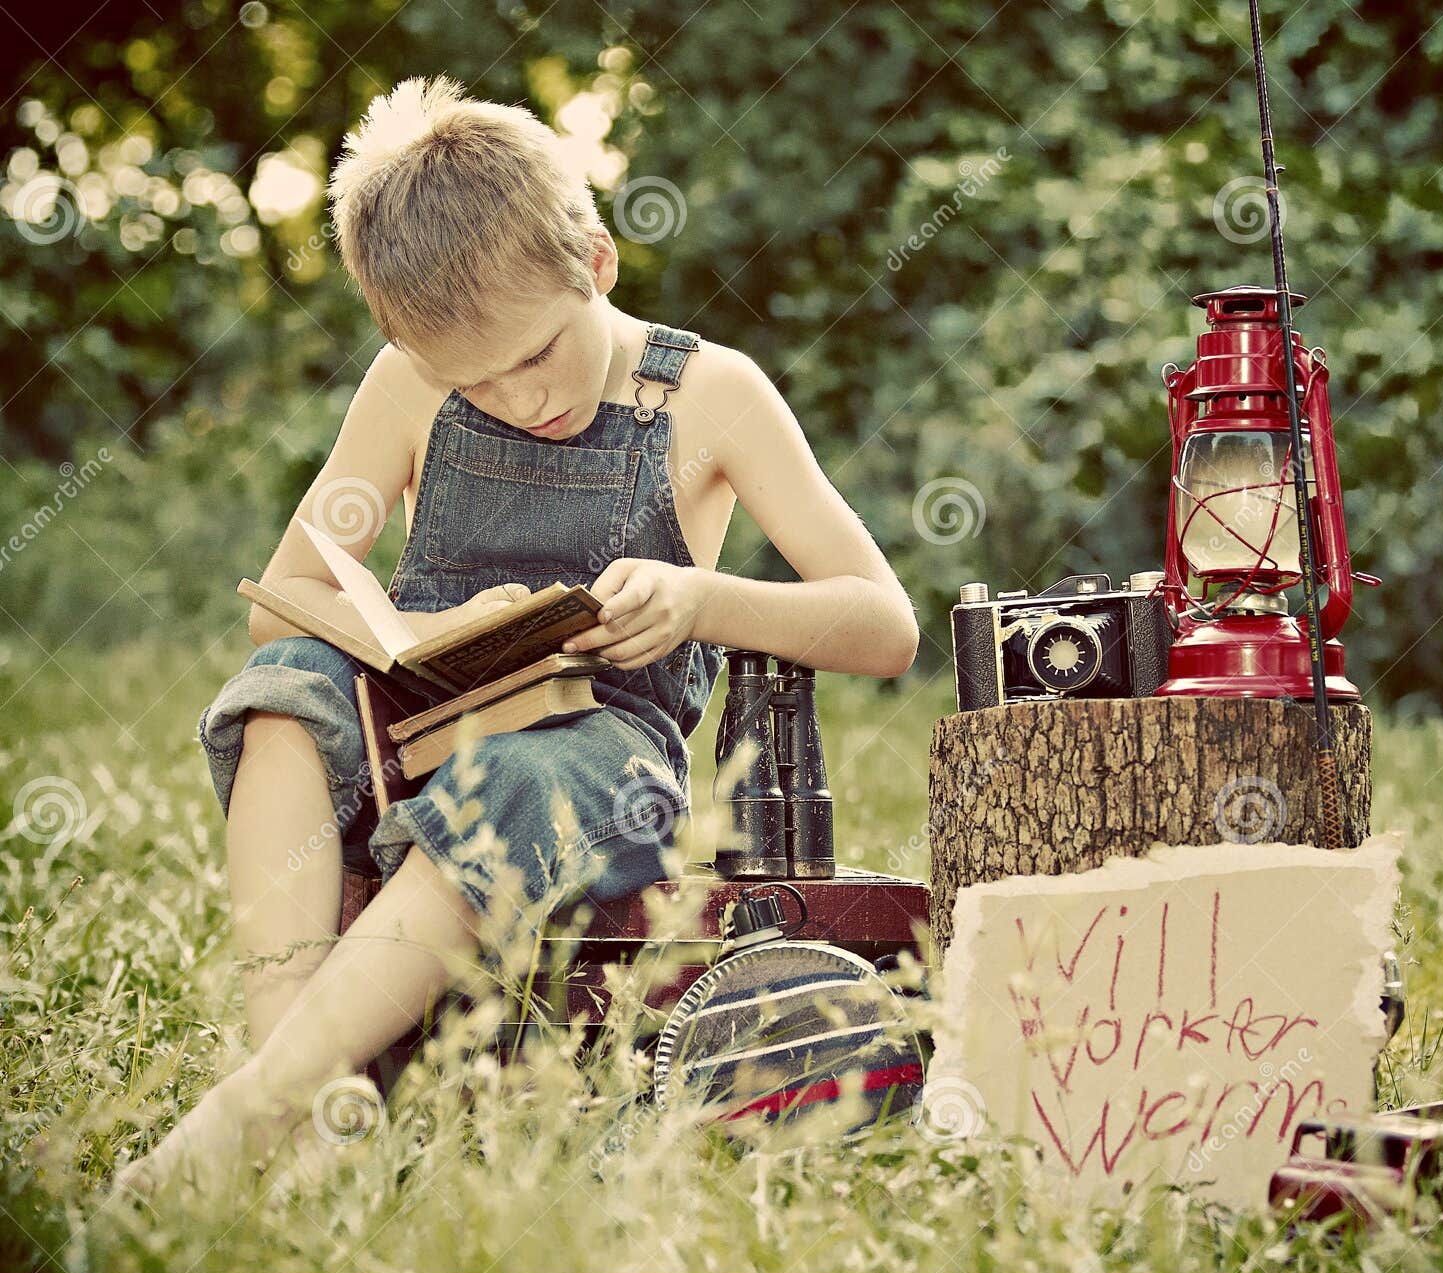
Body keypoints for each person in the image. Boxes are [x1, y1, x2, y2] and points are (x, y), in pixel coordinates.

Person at [113, 76, 918, 1199]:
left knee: (516, 777)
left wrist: (700, 600)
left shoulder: (707, 397)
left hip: (594, 750)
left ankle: (248, 1109)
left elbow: (884, 623)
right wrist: (441, 624)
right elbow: (285, 595)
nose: (513, 394)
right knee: (279, 691)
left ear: (595, 260)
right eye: (469, 379)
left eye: (533, 356)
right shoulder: (405, 386)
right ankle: (297, 1084)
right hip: (423, 713)